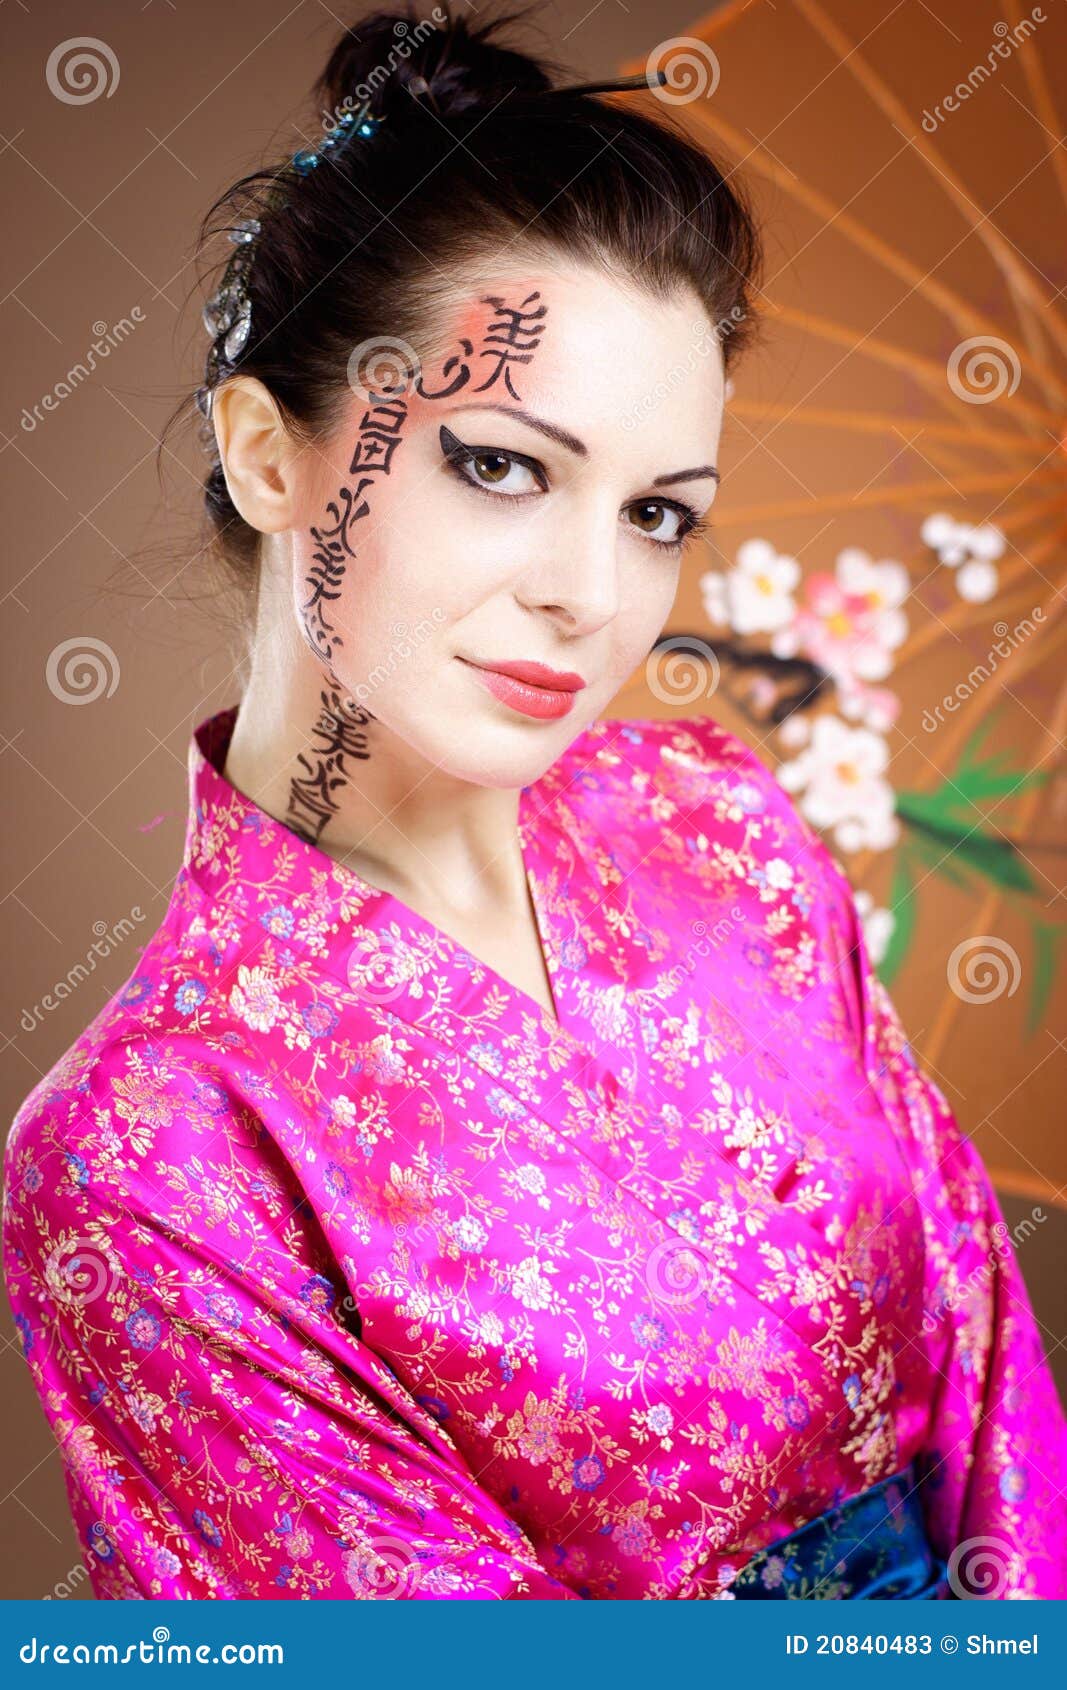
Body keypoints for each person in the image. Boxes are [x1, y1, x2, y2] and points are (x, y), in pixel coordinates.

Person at [4, 0, 1066, 1601]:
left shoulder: (713, 814)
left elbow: (980, 1335)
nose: (593, 594)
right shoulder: (145, 1152)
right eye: (502, 465)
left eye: (655, 511)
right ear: (267, 454)